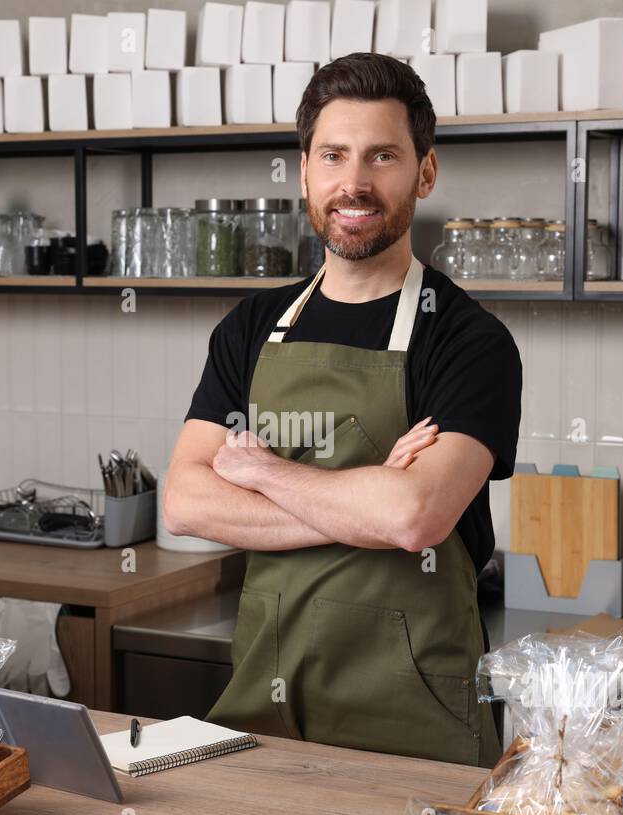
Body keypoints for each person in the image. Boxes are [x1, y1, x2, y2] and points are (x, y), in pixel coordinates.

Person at [163, 53, 522, 767]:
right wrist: (366, 499)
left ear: (424, 172)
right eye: (334, 156)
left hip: (415, 729)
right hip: (263, 714)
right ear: (304, 172)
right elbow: (184, 500)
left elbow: (414, 516)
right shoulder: (251, 327)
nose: (354, 183)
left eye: (382, 156)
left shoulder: (468, 340)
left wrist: (263, 471)